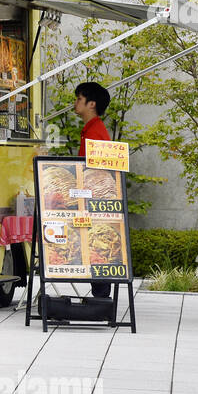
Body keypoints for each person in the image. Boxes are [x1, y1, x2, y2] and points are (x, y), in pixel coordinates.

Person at [74, 81, 113, 299]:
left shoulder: (95, 132)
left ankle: (101, 297)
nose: (75, 103)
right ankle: (100, 296)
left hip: (95, 202)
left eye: (79, 98)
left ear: (92, 104)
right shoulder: (91, 129)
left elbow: (97, 173)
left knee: (97, 248)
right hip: (92, 200)